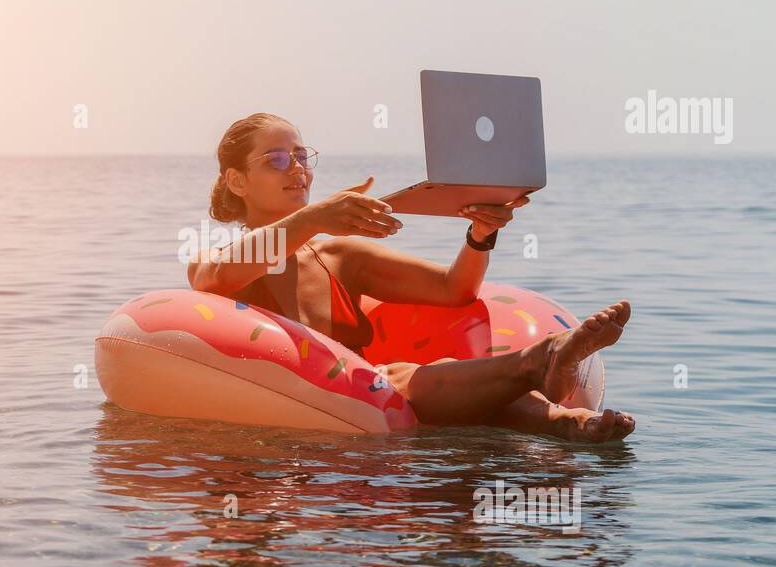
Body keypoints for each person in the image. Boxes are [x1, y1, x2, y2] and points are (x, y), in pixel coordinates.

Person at [187, 113, 635, 443]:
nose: (298, 169)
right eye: (277, 159)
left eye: (302, 156)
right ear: (237, 181)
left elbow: (453, 290)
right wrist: (314, 218)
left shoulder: (338, 255)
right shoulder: (218, 256)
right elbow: (212, 280)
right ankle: (541, 362)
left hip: (372, 402)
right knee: (399, 379)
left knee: (424, 375)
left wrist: (481, 235)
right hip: (309, 411)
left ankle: (569, 421)